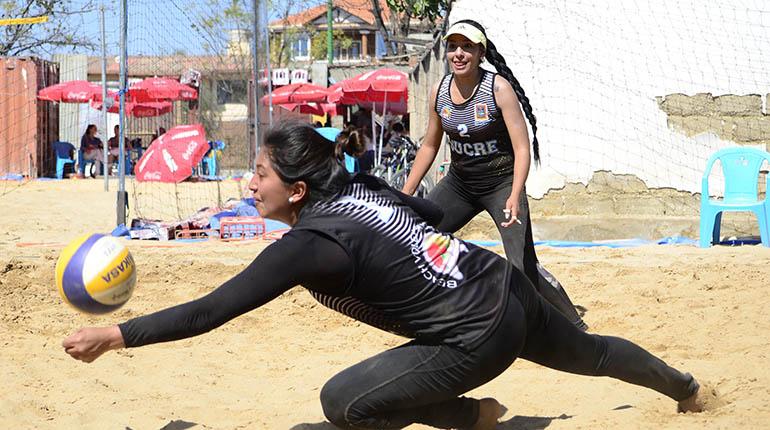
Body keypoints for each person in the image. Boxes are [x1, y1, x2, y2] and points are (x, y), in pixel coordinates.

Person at [63, 121, 705, 429]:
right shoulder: (367, 189)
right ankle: (687, 389)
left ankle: (471, 419)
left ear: (298, 189)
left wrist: (115, 337)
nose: (248, 183)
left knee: (342, 404)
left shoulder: (307, 245)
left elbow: (211, 311)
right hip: (505, 284)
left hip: (478, 333)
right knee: (591, 355)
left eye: (260, 175)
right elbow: (429, 213)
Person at [401, 20, 587, 329]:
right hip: (460, 184)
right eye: (452, 46)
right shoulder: (439, 91)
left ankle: (575, 326)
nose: (458, 54)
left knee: (523, 267)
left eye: (467, 47)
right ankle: (440, 312)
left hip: (501, 183)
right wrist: (405, 194)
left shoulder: (497, 88)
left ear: (481, 53)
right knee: (416, 238)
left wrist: (515, 195)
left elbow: (522, 149)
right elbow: (430, 146)